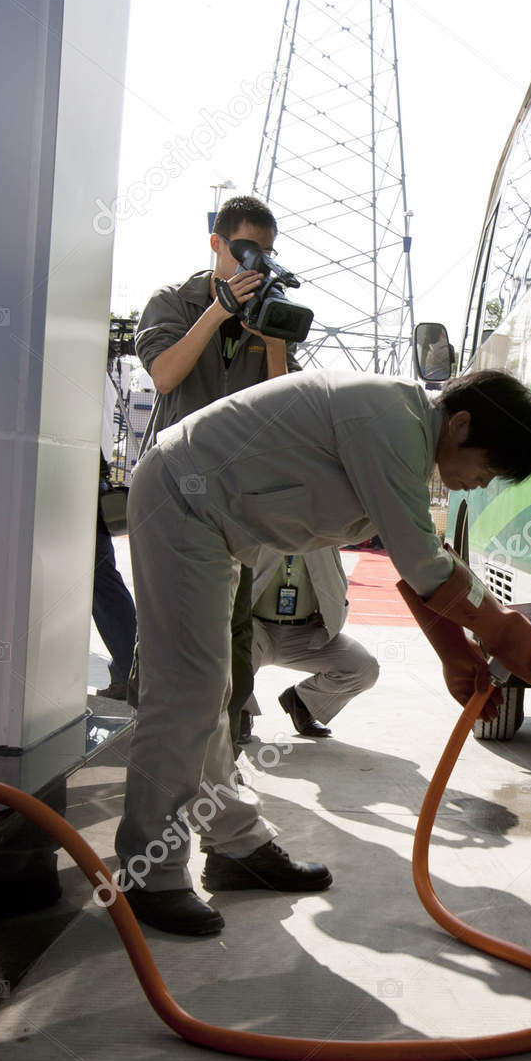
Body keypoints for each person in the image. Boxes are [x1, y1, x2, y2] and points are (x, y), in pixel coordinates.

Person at [112, 368, 531, 937]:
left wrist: (457, 653)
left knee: (209, 690)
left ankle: (236, 844)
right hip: (182, 502)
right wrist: (501, 629)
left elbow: (420, 553)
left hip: (213, 525)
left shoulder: (405, 437)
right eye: (484, 469)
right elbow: (424, 565)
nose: (474, 485)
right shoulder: (390, 419)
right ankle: (150, 871)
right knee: (186, 690)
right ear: (460, 423)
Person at [130, 193, 298, 747]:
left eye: (265, 254)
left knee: (233, 622)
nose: (255, 265)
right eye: (245, 251)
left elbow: (280, 405)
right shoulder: (172, 302)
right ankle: (150, 732)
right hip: (172, 487)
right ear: (217, 244)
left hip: (234, 496)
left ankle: (228, 733)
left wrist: (273, 338)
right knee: (164, 621)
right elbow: (164, 374)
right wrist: (218, 311)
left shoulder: (264, 311)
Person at [243, 546, 378, 739]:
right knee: (229, 645)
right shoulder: (256, 530)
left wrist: (328, 614)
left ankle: (302, 702)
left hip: (305, 632)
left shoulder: (321, 537)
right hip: (257, 628)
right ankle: (240, 711)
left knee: (364, 668)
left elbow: (337, 585)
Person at [92, 452, 138, 700]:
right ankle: (130, 673)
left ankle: (131, 673)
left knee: (102, 584)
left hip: (80, 483)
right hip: (86, 480)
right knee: (102, 583)